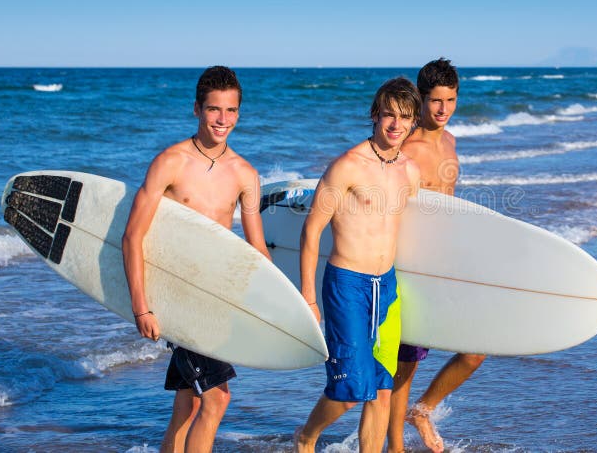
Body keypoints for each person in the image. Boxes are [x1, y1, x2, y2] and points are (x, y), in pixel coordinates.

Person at [122, 66, 271, 453]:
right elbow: (133, 236)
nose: (223, 120)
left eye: (231, 110)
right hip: (176, 295)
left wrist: (280, 305)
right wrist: (142, 306)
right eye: (213, 109)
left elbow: (257, 248)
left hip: (216, 296)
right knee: (218, 398)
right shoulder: (170, 162)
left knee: (188, 403)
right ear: (197, 109)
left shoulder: (245, 174)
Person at [294, 77, 422, 453]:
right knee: (350, 389)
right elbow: (311, 230)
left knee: (383, 387)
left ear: (413, 122)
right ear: (374, 115)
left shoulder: (409, 172)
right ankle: (306, 436)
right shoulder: (347, 166)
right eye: (388, 115)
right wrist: (307, 294)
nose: (395, 125)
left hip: (388, 285)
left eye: (404, 117)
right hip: (347, 284)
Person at [387, 58, 486, 453]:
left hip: (445, 261)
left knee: (475, 349)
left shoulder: (451, 142)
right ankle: (394, 445)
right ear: (420, 99)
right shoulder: (404, 146)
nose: (443, 109)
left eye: (450, 100)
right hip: (411, 265)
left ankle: (422, 411)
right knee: (404, 366)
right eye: (434, 101)